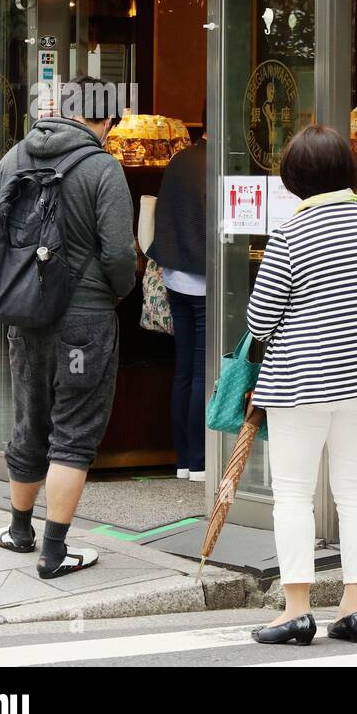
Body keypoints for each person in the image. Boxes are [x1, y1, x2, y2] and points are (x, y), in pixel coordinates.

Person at [247, 126, 357, 646]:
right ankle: (354, 607)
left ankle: (296, 609)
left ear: (294, 177)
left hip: (301, 379)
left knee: (293, 493)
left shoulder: (291, 233)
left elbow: (261, 316)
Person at [0, 78, 137, 579]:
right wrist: (114, 292)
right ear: (104, 119)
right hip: (84, 321)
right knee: (73, 431)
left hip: (25, 316)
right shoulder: (102, 168)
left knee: (31, 418)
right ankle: (54, 552)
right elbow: (118, 253)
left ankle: (19, 530)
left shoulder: (12, 159)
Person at [148, 135, 208, 481]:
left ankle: (185, 459)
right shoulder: (216, 162)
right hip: (203, 277)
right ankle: (200, 461)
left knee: (184, 370)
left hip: (174, 275)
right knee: (202, 372)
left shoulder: (181, 159)